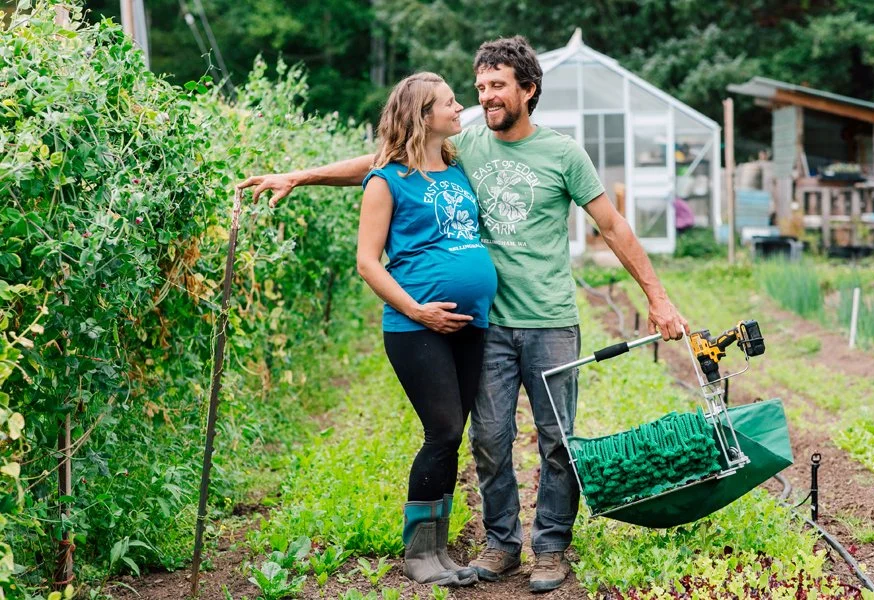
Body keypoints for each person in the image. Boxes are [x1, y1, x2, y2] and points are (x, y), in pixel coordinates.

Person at [239, 36, 688, 593]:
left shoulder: (563, 153)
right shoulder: (465, 145)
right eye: (479, 87)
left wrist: (657, 297)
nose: (485, 96)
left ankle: (551, 548)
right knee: (490, 439)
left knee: (556, 439)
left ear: (528, 89)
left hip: (550, 319)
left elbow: (612, 226)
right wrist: (299, 176)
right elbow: (382, 163)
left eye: (497, 85)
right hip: (487, 325)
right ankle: (502, 545)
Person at [264, 72, 496, 587]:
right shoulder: (386, 180)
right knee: (442, 431)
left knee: (452, 437)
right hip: (417, 326)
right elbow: (367, 263)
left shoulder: (457, 167)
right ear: (422, 116)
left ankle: (440, 550)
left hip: (469, 323)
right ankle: (419, 554)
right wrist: (419, 311)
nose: (461, 107)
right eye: (449, 102)